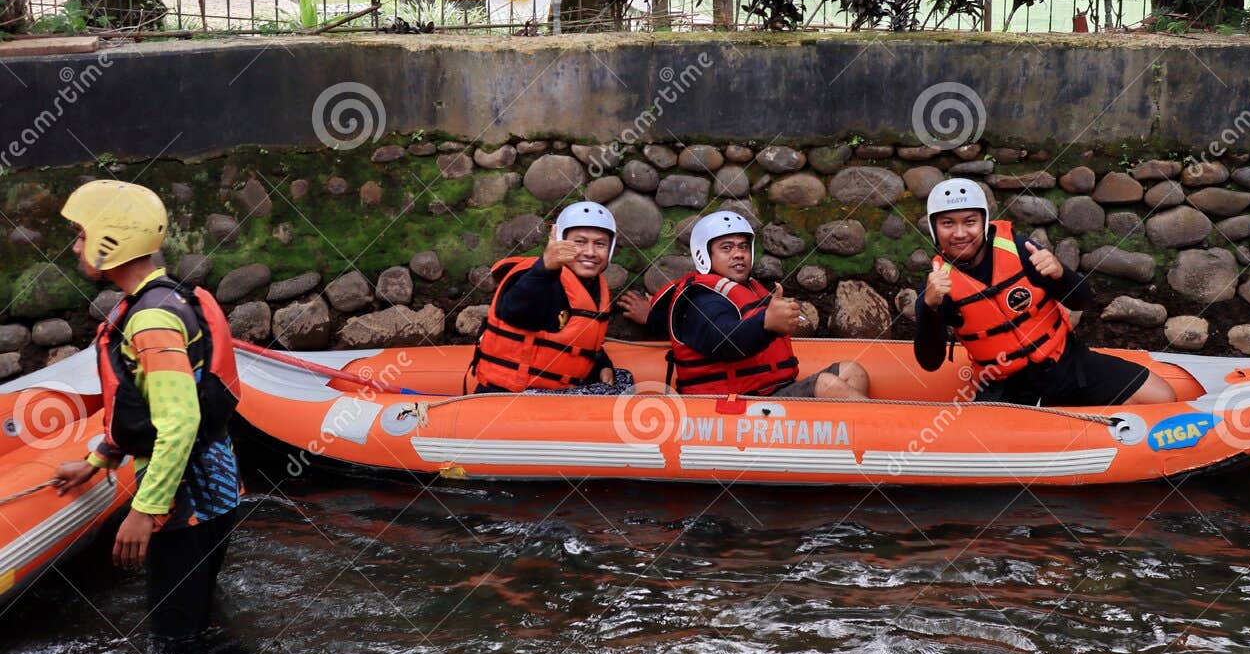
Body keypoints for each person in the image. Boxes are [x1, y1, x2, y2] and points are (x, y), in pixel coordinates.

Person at [51, 181, 242, 643]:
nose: (76, 246)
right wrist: (98, 462)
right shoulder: (170, 295)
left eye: (81, 234)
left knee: (177, 640)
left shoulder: (151, 320)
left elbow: (178, 423)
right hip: (218, 489)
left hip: (183, 504)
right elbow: (143, 407)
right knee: (201, 620)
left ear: (112, 239)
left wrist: (145, 510)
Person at [914, 179, 1176, 407]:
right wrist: (929, 309)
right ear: (935, 229)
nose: (960, 233)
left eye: (969, 221)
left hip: (1066, 364)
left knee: (1161, 396)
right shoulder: (937, 287)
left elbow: (1084, 300)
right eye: (948, 223)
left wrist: (1062, 275)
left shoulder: (1022, 250)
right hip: (1004, 389)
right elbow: (930, 362)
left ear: (983, 222)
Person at [618, 212, 870, 399]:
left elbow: (690, 326)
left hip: (767, 392)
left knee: (852, 370)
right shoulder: (699, 300)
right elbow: (724, 339)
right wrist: (766, 324)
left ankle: (849, 447)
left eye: (742, 247)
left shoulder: (746, 289)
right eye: (726, 248)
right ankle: (885, 438)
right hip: (731, 404)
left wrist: (652, 319)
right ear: (704, 255)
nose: (738, 254)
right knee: (826, 385)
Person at [469, 201, 625, 393]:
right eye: (580, 242)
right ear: (559, 241)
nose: (590, 252)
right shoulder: (535, 278)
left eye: (600, 244)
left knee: (624, 380)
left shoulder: (593, 288)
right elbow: (514, 311)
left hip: (556, 393)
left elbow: (578, 341)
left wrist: (602, 364)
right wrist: (545, 268)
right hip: (510, 395)